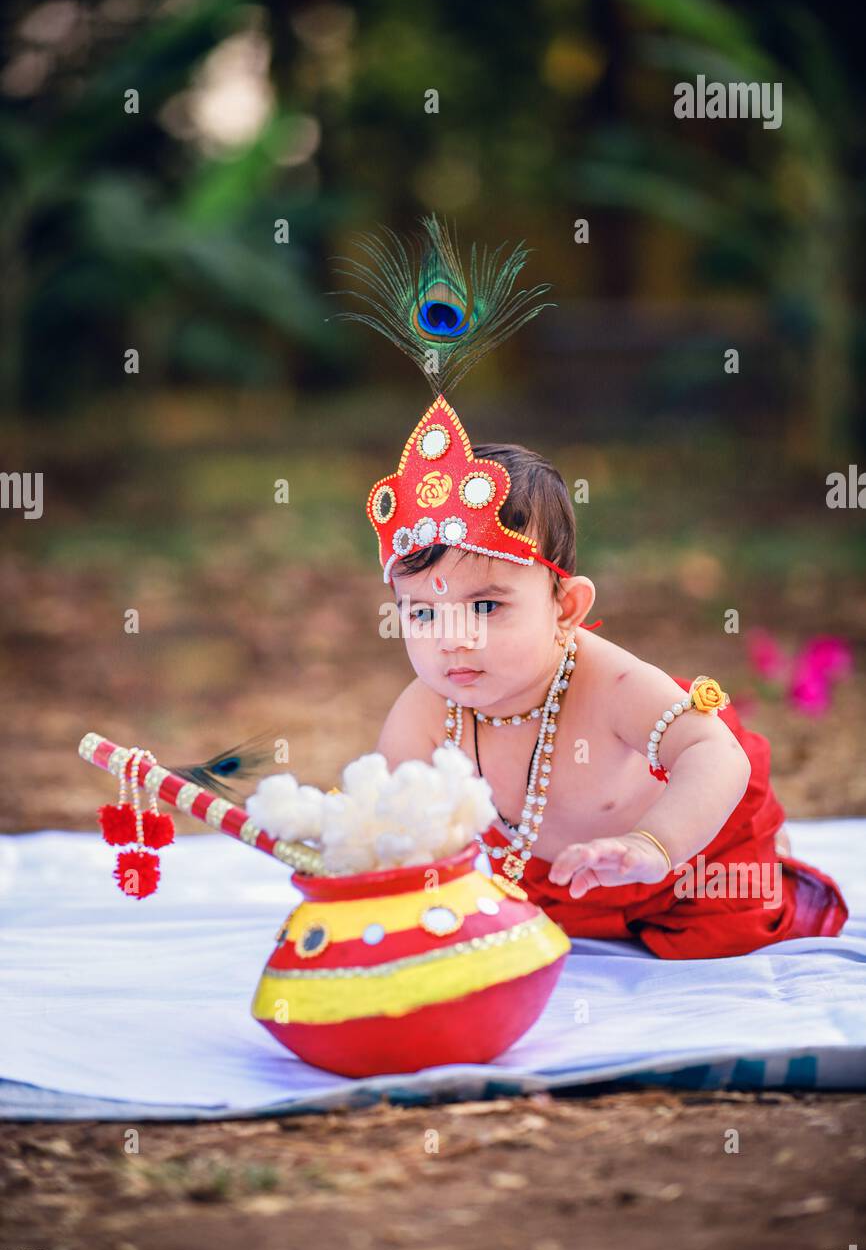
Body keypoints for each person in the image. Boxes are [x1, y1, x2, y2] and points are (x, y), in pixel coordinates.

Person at [332, 213, 847, 958]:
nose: (455, 636)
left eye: (487, 604)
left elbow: (716, 758)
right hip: (556, 879)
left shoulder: (609, 684)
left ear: (566, 608)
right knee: (511, 933)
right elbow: (390, 825)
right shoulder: (424, 714)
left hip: (685, 858)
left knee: (722, 934)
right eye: (422, 611)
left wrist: (655, 842)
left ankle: (781, 872)